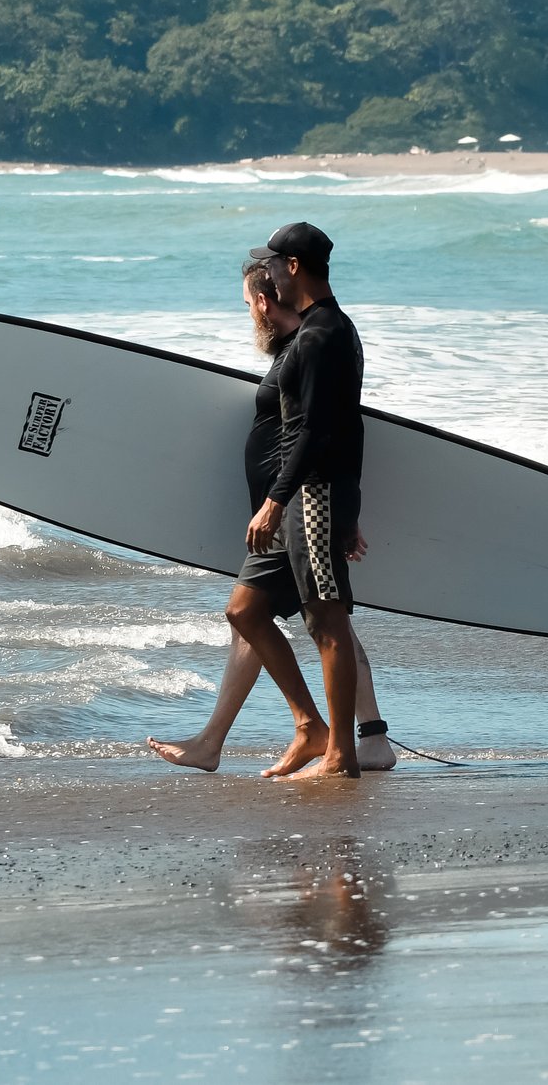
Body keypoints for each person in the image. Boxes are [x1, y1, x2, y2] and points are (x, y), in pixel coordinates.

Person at [232, 221, 395, 776]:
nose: (271, 275)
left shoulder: (322, 335)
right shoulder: (322, 331)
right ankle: (310, 729)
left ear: (294, 267)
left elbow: (319, 430)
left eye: (275, 264)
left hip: (309, 497)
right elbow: (351, 429)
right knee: (245, 610)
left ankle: (341, 755)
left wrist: (277, 501)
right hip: (310, 498)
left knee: (326, 622)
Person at [147, 260, 310, 772]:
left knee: (254, 615)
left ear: (264, 301)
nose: (248, 314)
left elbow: (313, 435)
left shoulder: (305, 350)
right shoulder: (297, 350)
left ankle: (318, 730)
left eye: (247, 304)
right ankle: (213, 741)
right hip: (278, 512)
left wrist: (276, 502)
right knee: (272, 622)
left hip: (286, 513)